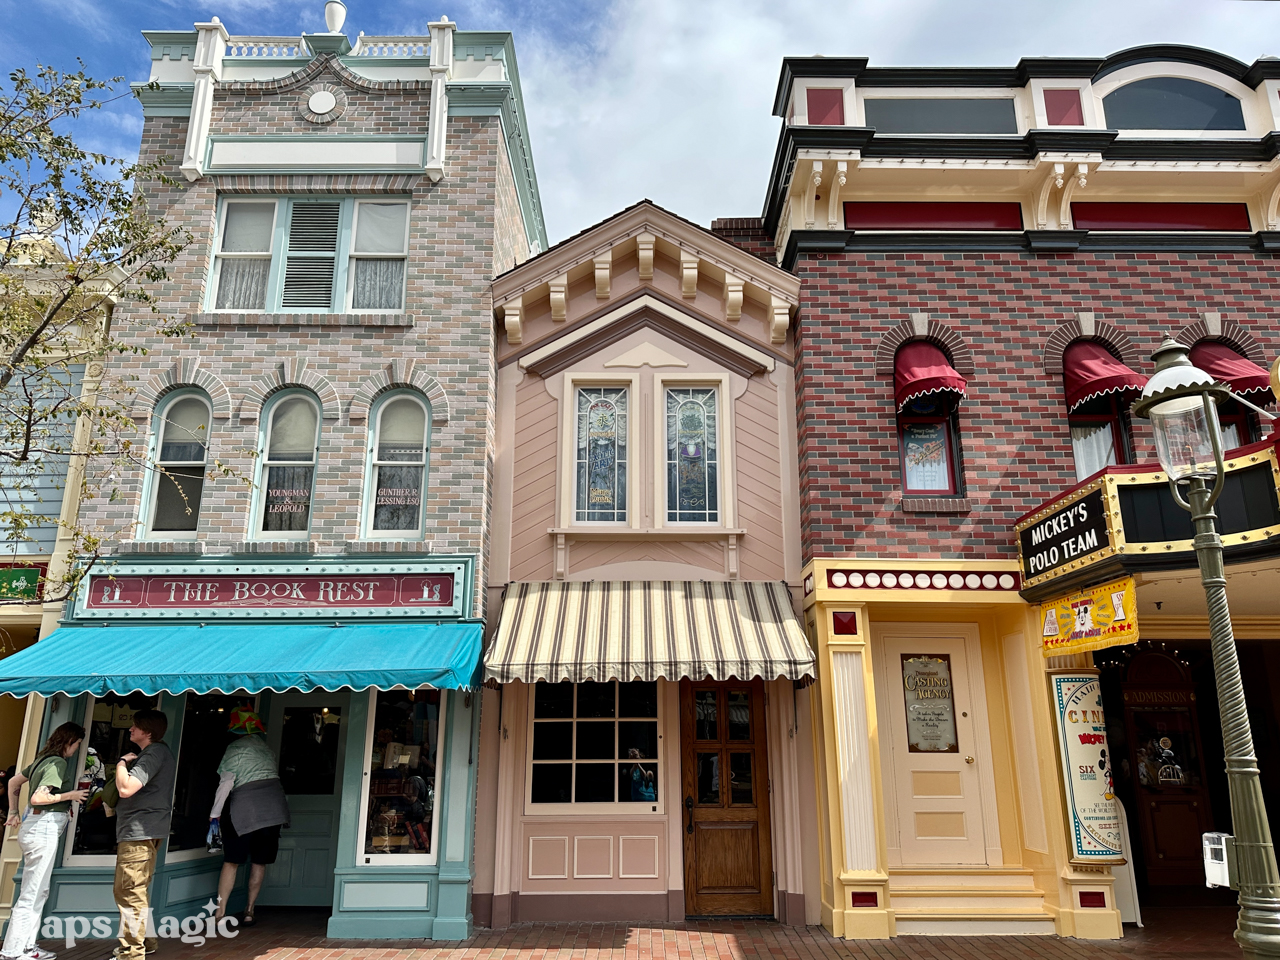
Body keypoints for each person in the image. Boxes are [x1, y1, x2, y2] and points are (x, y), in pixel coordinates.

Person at [1, 723, 87, 960]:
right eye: (77, 744)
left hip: (33, 827)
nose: (77, 749)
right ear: (70, 741)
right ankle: (12, 951)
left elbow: (13, 782)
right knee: (32, 892)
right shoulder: (57, 762)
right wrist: (72, 795)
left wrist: (12, 812)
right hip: (43, 827)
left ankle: (27, 947)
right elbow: (40, 797)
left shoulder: (42, 759)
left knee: (39, 890)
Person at [210, 707, 289, 927]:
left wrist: (215, 814)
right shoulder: (266, 749)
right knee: (259, 861)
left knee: (232, 860)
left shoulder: (234, 749)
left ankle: (220, 913)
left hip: (244, 809)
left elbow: (226, 783)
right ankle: (249, 910)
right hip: (273, 808)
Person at [111, 709, 175, 960]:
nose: (130, 729)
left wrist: (121, 763)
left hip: (138, 831)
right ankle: (146, 942)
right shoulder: (159, 753)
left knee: (128, 891)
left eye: (135, 726)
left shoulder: (153, 754)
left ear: (147, 732)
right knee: (137, 890)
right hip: (146, 829)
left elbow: (126, 788)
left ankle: (131, 952)